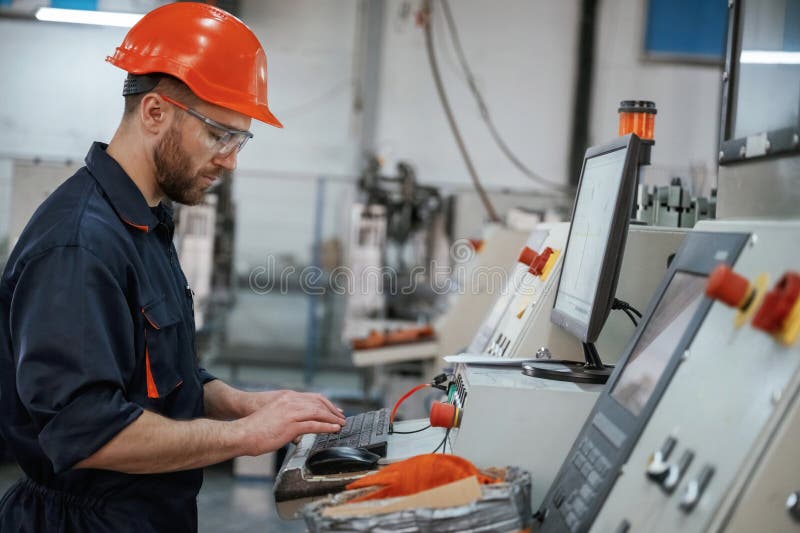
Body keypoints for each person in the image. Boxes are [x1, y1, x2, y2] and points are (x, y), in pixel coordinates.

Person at [0, 3, 345, 531]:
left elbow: (160, 378)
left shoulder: (144, 225)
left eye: (240, 139)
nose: (231, 159)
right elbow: (86, 432)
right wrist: (246, 438)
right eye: (218, 134)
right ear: (155, 113)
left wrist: (246, 405)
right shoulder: (80, 247)